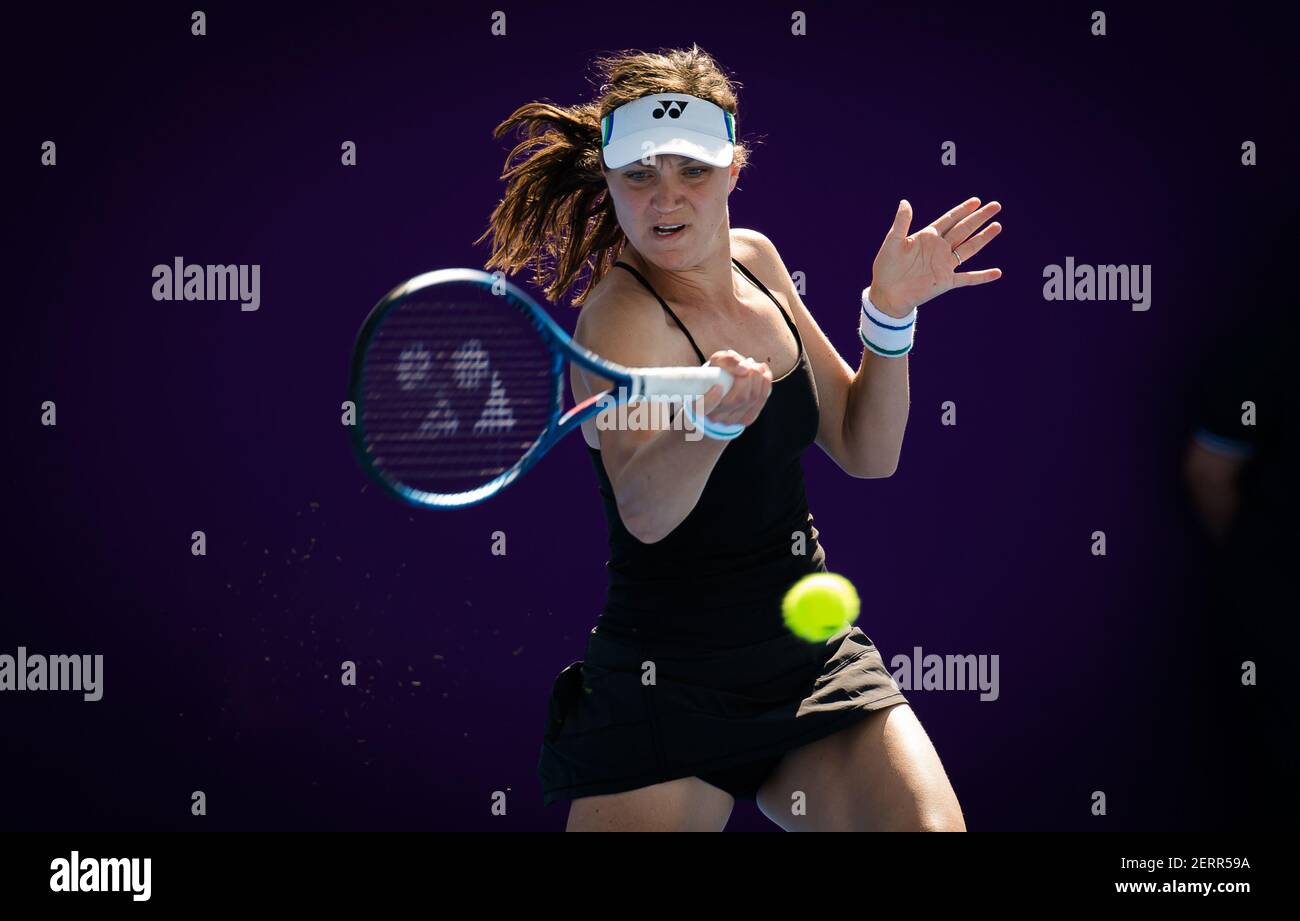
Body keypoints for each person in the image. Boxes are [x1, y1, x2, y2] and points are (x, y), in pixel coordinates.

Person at [476, 45, 1003, 831]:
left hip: (809, 661)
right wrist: (709, 425)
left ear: (733, 170)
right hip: (666, 685)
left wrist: (890, 318)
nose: (665, 199)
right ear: (609, 182)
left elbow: (868, 448)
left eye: (692, 170)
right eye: (638, 175)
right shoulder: (618, 320)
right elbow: (647, 511)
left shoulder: (758, 261)